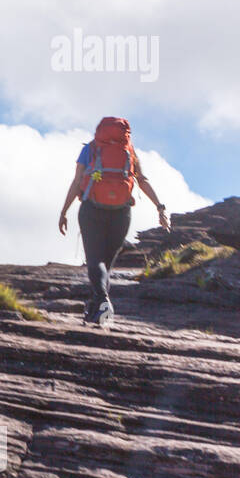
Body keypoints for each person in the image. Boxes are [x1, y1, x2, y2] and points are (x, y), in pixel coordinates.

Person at [58, 118, 171, 327]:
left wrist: (64, 211)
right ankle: (98, 308)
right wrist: (160, 208)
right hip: (121, 213)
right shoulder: (128, 151)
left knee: (95, 261)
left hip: (91, 209)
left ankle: (101, 302)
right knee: (105, 265)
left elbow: (77, 182)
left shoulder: (90, 149)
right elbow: (142, 180)